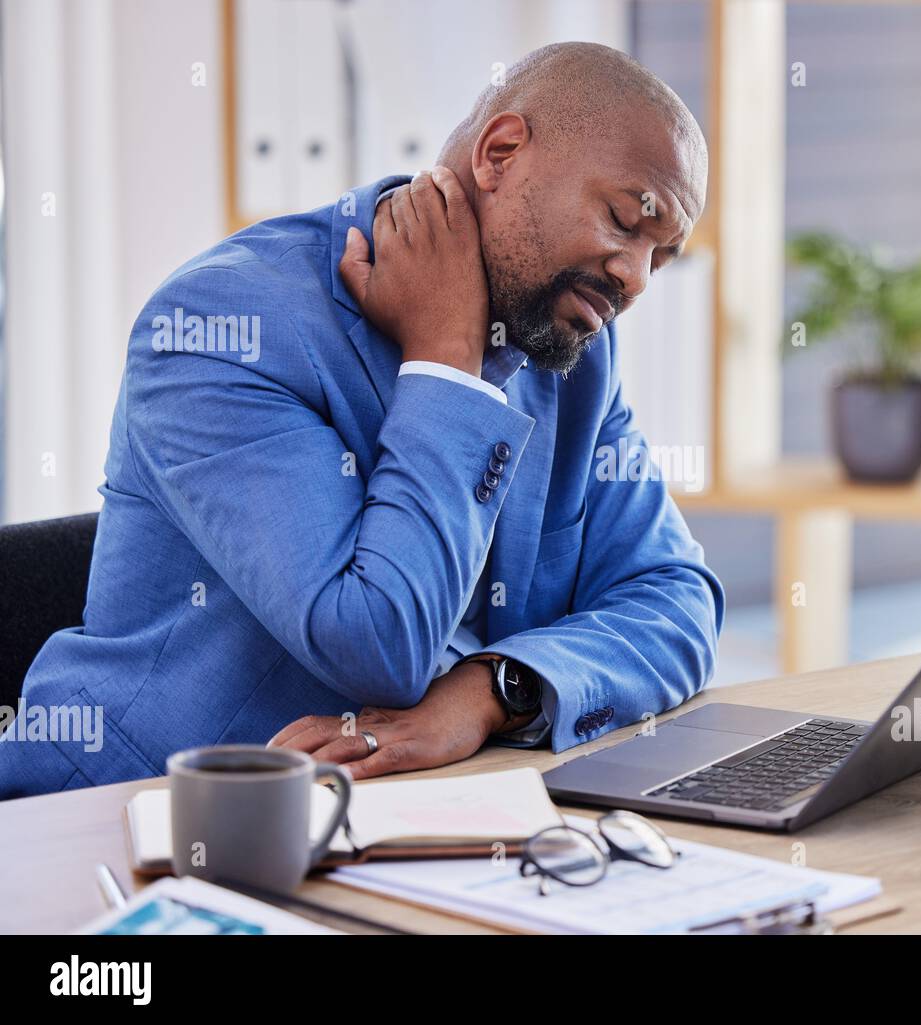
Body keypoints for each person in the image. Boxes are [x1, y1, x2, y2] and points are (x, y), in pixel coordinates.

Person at [0, 42, 722, 798]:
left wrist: (489, 692)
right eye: (622, 220)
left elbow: (676, 598)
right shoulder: (219, 325)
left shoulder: (571, 356)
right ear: (501, 153)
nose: (634, 278)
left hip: (404, 821)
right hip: (126, 824)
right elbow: (378, 641)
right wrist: (447, 360)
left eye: (662, 256)